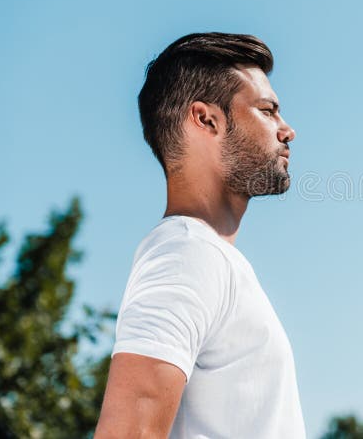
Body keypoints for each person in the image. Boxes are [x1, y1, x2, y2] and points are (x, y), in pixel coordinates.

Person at [95, 32, 306, 438]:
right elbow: (129, 431)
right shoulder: (186, 251)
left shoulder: (207, 257)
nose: (287, 130)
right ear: (206, 119)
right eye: (268, 110)